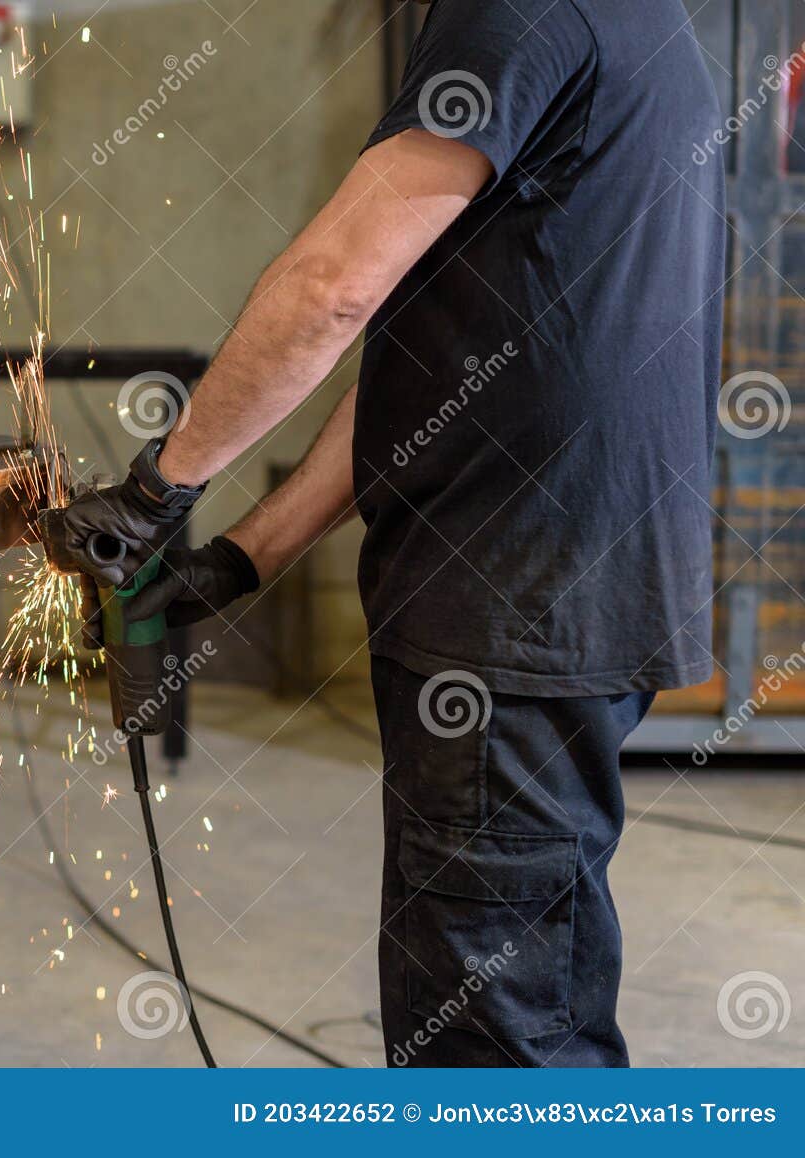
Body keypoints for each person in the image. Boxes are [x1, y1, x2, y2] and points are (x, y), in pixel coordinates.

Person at [59, 0, 726, 1066]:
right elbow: (435, 364)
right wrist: (241, 555)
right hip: (554, 596)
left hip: (513, 602)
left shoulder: (514, 12)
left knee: (498, 1044)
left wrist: (153, 491)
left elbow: (332, 289)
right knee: (500, 997)